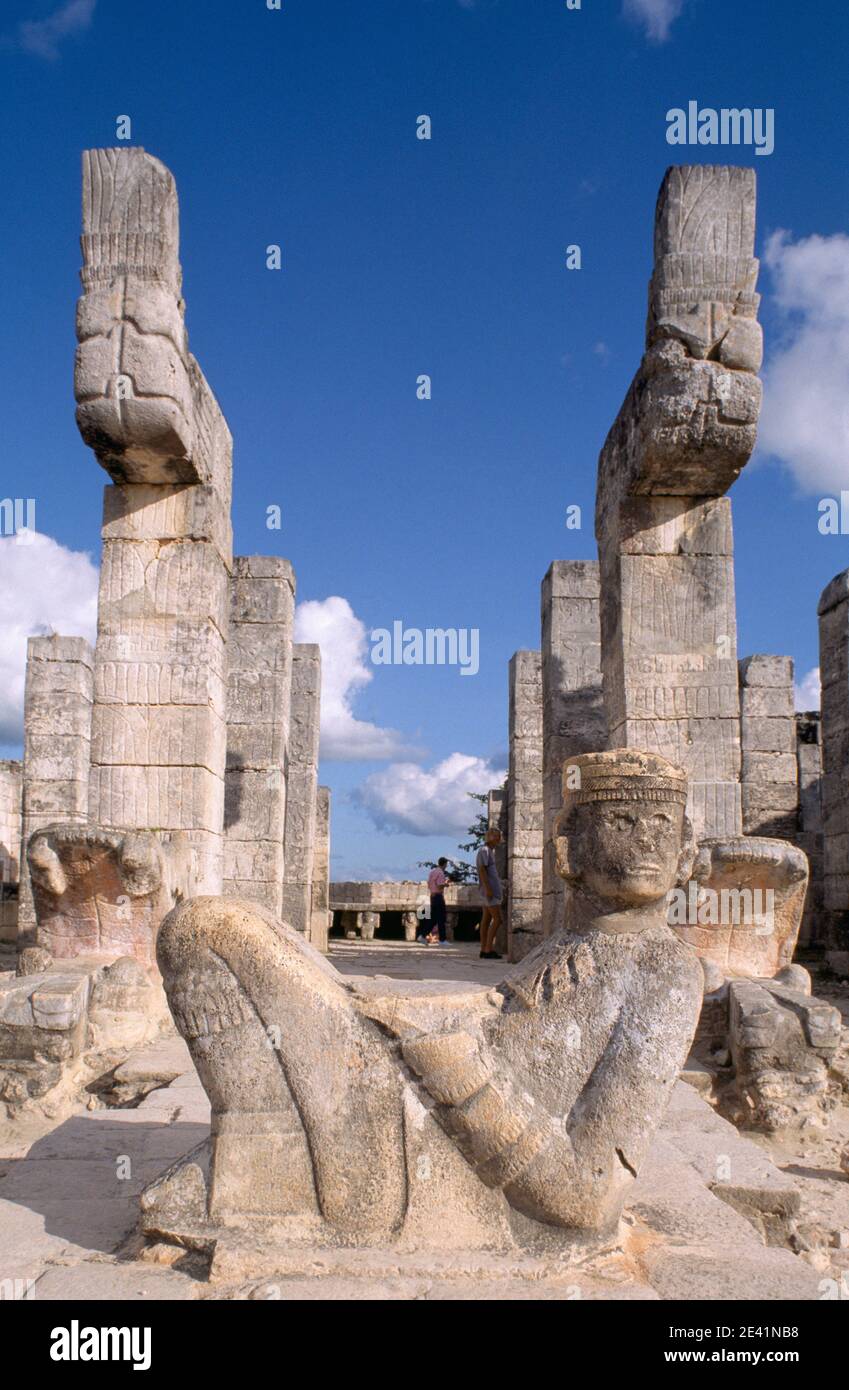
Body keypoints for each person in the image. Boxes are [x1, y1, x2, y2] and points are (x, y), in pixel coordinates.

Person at [476, 829, 503, 959]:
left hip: (489, 889)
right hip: (489, 890)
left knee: (486, 920)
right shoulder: (484, 850)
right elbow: (482, 869)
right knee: (498, 919)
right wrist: (488, 888)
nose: (498, 838)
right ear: (490, 837)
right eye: (496, 836)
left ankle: (483, 949)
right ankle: (488, 949)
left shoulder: (488, 851)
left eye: (499, 836)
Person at [426, 858, 450, 944]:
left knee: (434, 918)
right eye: (446, 864)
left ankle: (422, 935)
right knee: (441, 918)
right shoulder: (440, 873)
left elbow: (429, 884)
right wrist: (446, 884)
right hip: (438, 896)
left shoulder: (432, 872)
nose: (447, 866)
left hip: (432, 896)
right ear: (444, 864)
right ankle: (442, 940)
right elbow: (440, 886)